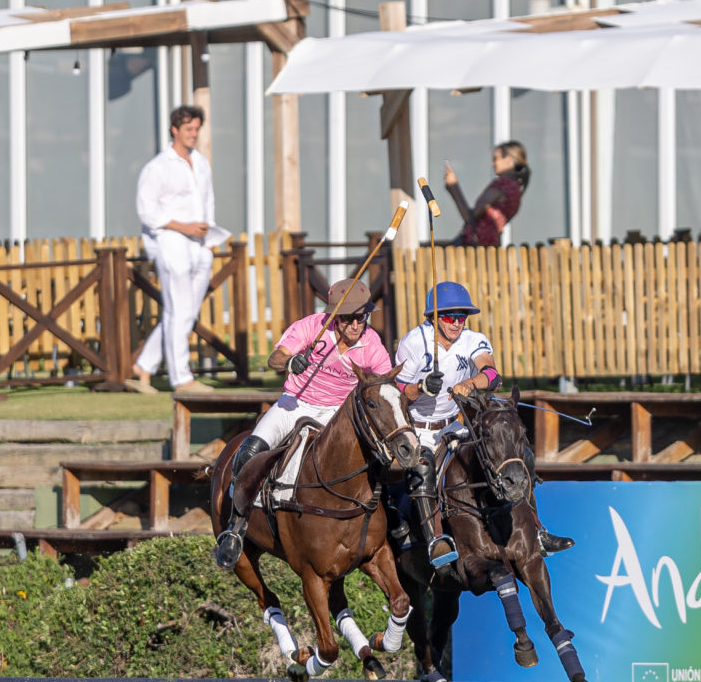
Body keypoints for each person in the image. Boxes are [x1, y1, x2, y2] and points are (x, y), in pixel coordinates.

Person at [214, 278, 392, 570]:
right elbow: (275, 358)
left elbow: (384, 383)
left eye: (362, 317)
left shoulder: (372, 344)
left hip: (337, 414)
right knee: (250, 450)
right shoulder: (311, 326)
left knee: (377, 461)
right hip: (295, 403)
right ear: (334, 317)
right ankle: (235, 528)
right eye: (349, 319)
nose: (357, 325)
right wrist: (291, 362)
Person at [394, 281, 573, 568]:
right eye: (450, 317)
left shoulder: (473, 339)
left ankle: (537, 531)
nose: (457, 323)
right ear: (433, 317)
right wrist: (422, 387)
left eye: (462, 317)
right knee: (424, 468)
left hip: (454, 424)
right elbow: (399, 391)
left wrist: (470, 383)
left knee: (513, 456)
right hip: (418, 428)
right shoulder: (414, 342)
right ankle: (435, 541)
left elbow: (491, 373)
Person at [129, 105, 221, 395]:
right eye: (188, 129)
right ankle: (181, 378)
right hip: (170, 243)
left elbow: (209, 203)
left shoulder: (202, 163)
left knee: (185, 312)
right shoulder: (157, 167)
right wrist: (184, 227)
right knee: (179, 310)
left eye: (196, 129)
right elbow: (147, 212)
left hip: (199, 245)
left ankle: (143, 366)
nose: (193, 134)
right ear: (175, 130)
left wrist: (208, 240)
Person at [444, 141, 530, 246]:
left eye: (496, 159)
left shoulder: (502, 184)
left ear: (509, 161)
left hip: (475, 245)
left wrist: (454, 187)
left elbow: (469, 217)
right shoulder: (516, 189)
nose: (492, 164)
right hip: (491, 245)